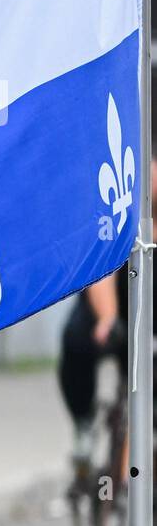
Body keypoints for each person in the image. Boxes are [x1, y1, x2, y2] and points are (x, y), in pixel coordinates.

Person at [58, 159, 157, 473]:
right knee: (76, 340)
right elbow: (101, 274)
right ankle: (83, 423)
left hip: (149, 319)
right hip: (110, 312)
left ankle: (137, 467)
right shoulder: (119, 208)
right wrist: (108, 318)